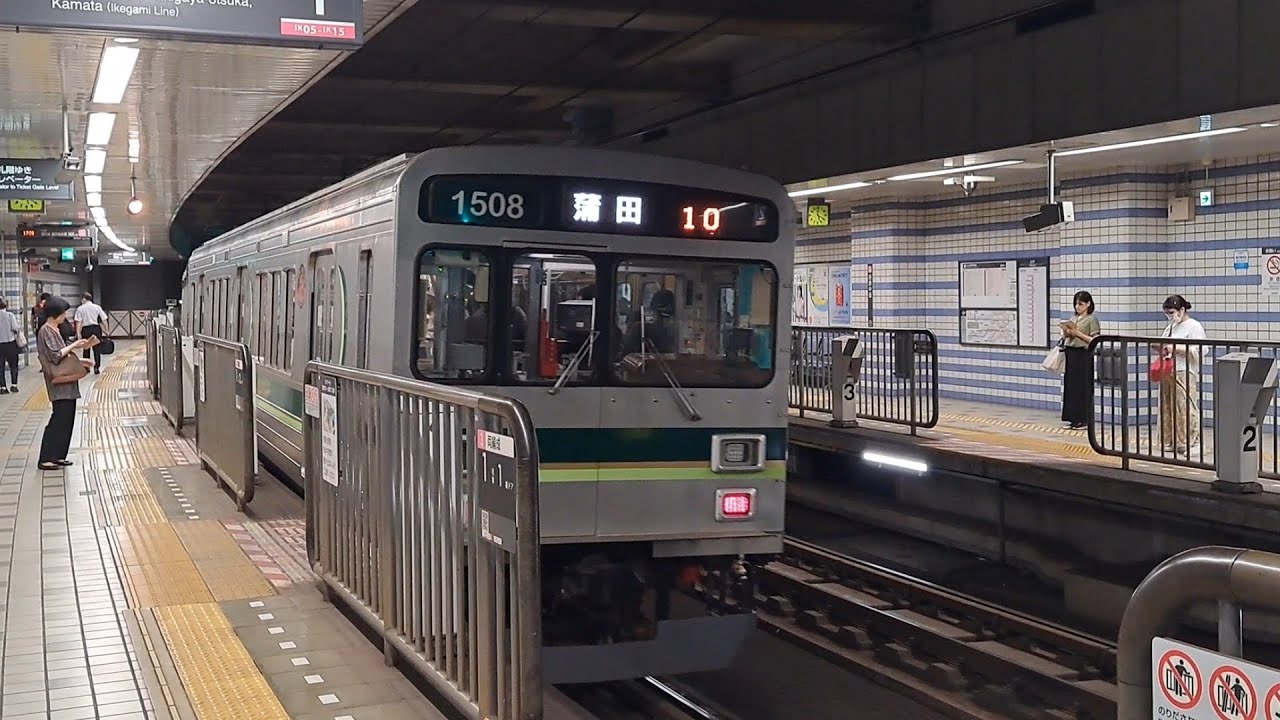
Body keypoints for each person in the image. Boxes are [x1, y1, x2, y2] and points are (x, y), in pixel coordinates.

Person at [36, 297, 94, 471]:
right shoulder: (46, 330)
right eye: (63, 312)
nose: (65, 315)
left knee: (67, 419)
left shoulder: (56, 329)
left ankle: (59, 455)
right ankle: (46, 457)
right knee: (58, 419)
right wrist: (75, 344)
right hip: (59, 382)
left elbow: (64, 356)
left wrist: (82, 360)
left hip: (68, 381)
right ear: (55, 313)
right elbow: (55, 355)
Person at [1157, 294, 1206, 454]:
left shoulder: (1194, 326)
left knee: (1186, 407)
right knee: (1169, 407)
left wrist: (1176, 348)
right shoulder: (1171, 327)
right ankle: (1174, 440)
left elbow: (1201, 350)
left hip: (1185, 371)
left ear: (1182, 309)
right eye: (1167, 313)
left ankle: (1194, 442)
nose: (1170, 316)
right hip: (1169, 370)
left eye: (1172, 312)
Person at [1059, 291, 1101, 430]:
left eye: (1081, 304)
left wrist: (1077, 333)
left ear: (1088, 304)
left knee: (1082, 387)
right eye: (1076, 304)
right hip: (1071, 353)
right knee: (1071, 387)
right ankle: (1072, 418)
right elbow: (1066, 337)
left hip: (1083, 355)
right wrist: (1066, 332)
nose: (1077, 307)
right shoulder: (1074, 318)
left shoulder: (1091, 320)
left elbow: (1094, 340)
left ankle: (1083, 419)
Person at [74, 292, 107, 374]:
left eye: (81, 299)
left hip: (86, 329)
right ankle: (97, 367)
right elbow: (104, 319)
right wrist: (107, 330)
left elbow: (79, 321)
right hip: (96, 329)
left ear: (84, 299)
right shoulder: (97, 307)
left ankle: (87, 367)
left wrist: (78, 333)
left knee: (86, 348)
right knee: (97, 349)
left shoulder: (80, 309)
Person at [0, 300, 22, 394]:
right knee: (13, 365)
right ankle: (14, 386)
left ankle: (3, 387)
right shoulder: (10, 315)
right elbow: (15, 328)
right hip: (10, 343)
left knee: (0, 367)